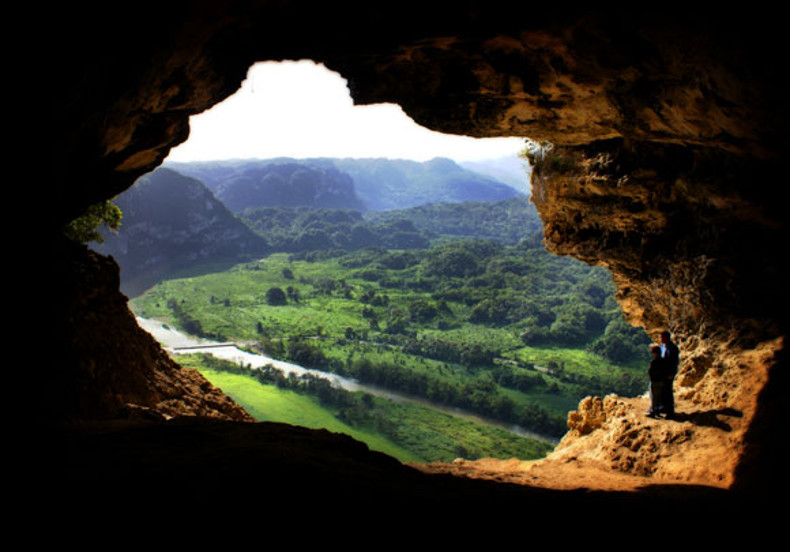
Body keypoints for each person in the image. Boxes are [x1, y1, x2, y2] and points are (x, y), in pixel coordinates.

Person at [658, 330, 679, 419]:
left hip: (668, 373)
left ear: (667, 337)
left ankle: (670, 412)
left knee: (668, 392)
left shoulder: (673, 348)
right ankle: (663, 409)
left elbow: (675, 362)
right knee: (662, 392)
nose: (660, 339)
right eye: (660, 337)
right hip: (662, 373)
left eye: (662, 337)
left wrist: (672, 373)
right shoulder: (662, 347)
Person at [647, 344, 668, 418]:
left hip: (654, 381)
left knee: (653, 397)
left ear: (655, 353)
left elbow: (650, 372)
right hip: (661, 381)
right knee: (659, 397)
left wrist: (651, 378)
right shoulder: (663, 361)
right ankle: (658, 412)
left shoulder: (653, 362)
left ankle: (653, 412)